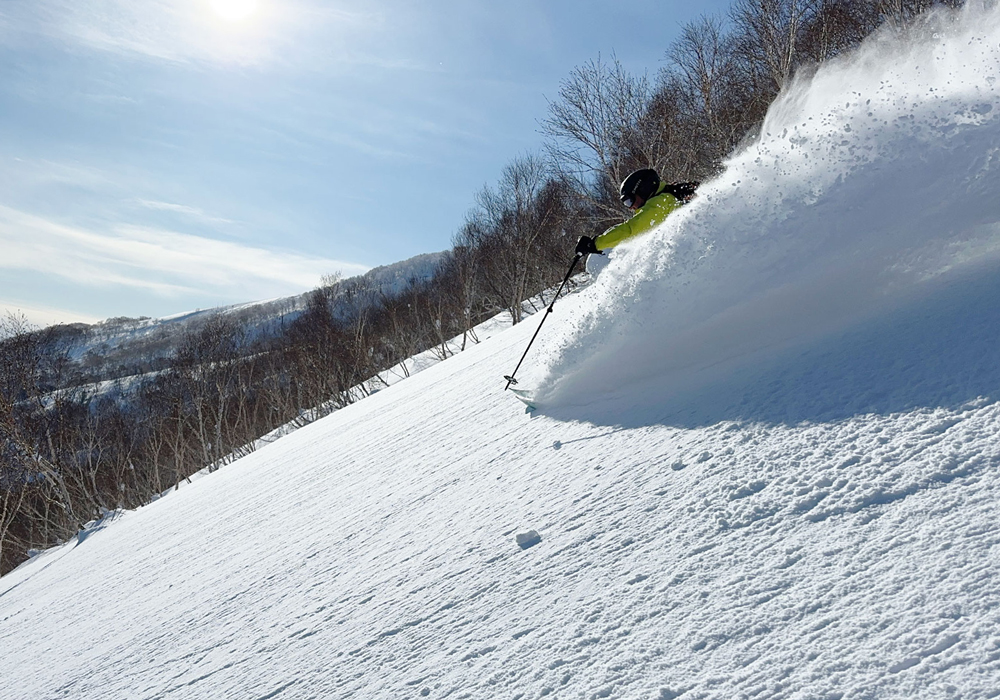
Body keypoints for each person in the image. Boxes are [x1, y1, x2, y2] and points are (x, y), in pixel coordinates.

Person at [576, 168, 697, 274]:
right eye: (626, 204)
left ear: (643, 189)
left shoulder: (660, 202)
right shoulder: (667, 198)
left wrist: (595, 244)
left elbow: (631, 230)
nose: (631, 207)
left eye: (629, 200)